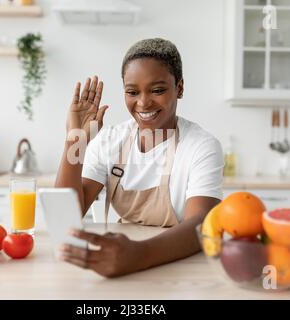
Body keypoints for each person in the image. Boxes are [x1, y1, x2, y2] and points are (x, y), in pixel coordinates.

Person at [55, 38, 223, 277]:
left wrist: (138, 255)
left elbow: (201, 225)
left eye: (157, 90)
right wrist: (75, 140)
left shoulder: (201, 146)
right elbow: (66, 215)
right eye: (132, 92)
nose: (143, 103)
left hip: (180, 268)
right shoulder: (110, 140)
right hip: (121, 259)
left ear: (180, 88)